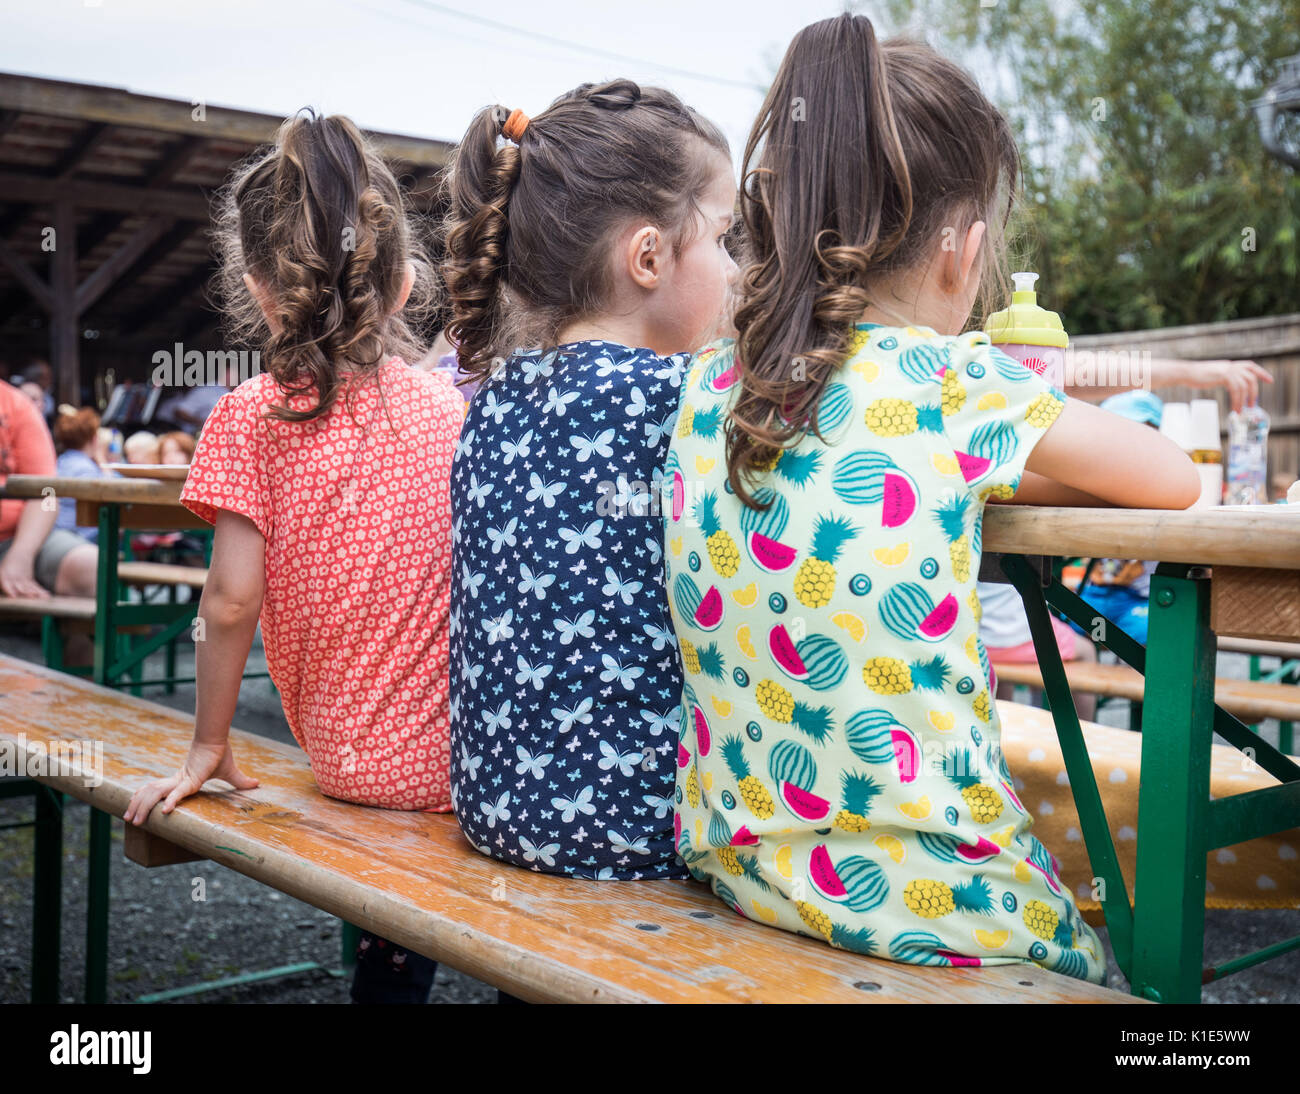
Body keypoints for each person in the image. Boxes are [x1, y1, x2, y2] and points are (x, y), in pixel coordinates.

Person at [666, 14, 1199, 984]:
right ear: (962, 250)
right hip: (953, 916)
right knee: (1157, 1012)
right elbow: (1171, 476)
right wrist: (1008, 427)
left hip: (745, 876)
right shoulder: (952, 383)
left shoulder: (709, 386)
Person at [123, 111, 463, 1005]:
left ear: (258, 288)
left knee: (388, 874)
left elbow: (230, 603)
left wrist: (208, 744)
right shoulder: (448, 411)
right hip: (470, 760)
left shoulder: (251, 415)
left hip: (352, 764)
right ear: (402, 288)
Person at [441, 81, 736, 880]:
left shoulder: (495, 394)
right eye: (724, 240)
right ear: (647, 256)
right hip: (634, 832)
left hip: (493, 807)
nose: (738, 271)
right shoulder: (682, 400)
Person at [53, 406, 117, 544]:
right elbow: (114, 493)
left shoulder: (60, 462)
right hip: (79, 537)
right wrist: (100, 457)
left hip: (57, 532)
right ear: (94, 439)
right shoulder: (86, 468)